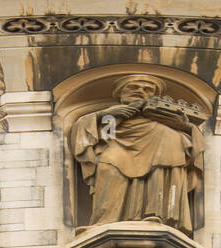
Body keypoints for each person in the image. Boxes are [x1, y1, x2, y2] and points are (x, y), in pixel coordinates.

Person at [69, 74, 206, 235]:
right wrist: (108, 115)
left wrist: (184, 127)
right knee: (108, 166)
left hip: (159, 145)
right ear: (120, 93)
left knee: (161, 166)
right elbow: (106, 136)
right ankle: (105, 221)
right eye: (133, 87)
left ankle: (155, 215)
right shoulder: (111, 114)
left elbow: (192, 136)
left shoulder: (163, 115)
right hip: (118, 147)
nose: (140, 91)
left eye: (147, 90)